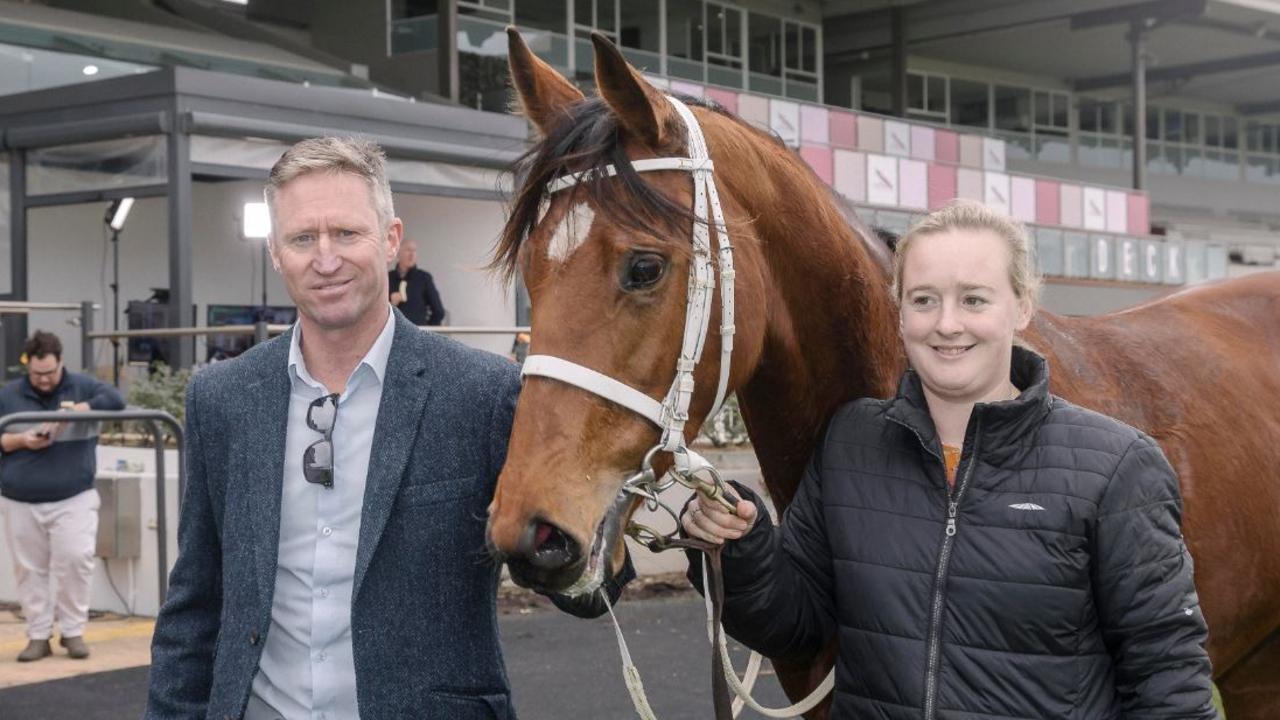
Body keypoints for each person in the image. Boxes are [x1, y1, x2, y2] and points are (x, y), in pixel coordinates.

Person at [145, 137, 629, 720]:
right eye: (303, 238)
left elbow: (588, 589)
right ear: (276, 253)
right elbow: (195, 604)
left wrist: (609, 530)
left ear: (391, 239)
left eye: (347, 233)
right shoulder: (222, 399)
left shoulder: (484, 395)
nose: (325, 259)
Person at [682, 200, 1217, 719]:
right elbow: (796, 627)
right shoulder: (851, 441)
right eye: (923, 300)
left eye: (974, 300)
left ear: (1023, 307)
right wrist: (742, 551)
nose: (947, 324)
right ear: (899, 314)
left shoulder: (1117, 467)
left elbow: (1167, 678)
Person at [0, 330, 125, 662]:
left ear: (61, 364)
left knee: (75, 561)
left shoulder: (82, 386)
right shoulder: (8, 394)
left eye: (50, 373)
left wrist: (78, 410)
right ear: (28, 367)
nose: (43, 380)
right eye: (37, 374)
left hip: (73, 495)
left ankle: (73, 631)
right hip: (19, 497)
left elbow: (116, 401)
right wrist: (22, 439)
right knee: (29, 570)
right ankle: (38, 635)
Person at [388, 239, 446, 326]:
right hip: (394, 333)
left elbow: (439, 312)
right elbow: (375, 313)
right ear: (397, 253)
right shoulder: (387, 278)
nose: (412, 255)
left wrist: (426, 332)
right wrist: (391, 303)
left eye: (414, 251)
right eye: (408, 250)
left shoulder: (424, 278)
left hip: (417, 332)